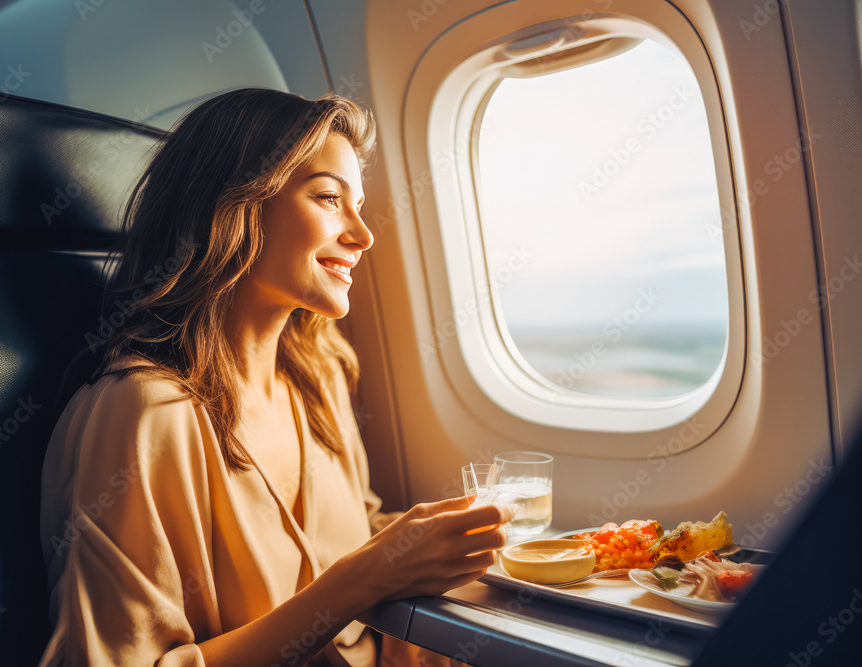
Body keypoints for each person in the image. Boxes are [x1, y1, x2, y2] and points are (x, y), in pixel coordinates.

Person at [38, 88, 514, 667]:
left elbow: (356, 536)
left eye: (358, 204)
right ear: (234, 206)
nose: (363, 234)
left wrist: (482, 540)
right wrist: (360, 580)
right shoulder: (145, 413)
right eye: (329, 198)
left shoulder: (319, 373)